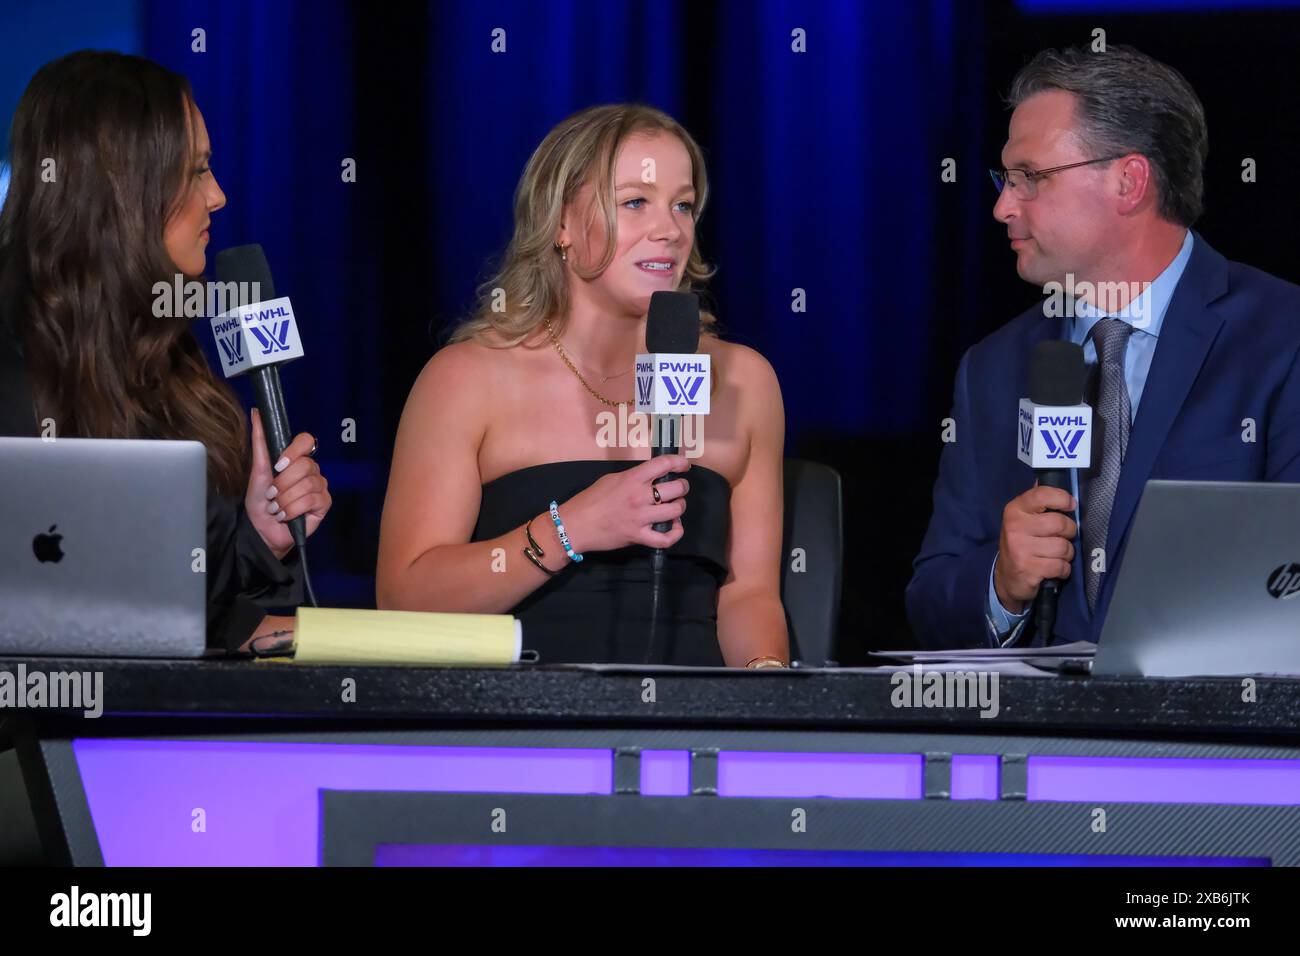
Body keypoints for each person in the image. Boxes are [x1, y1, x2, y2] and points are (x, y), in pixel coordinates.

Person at [907, 44, 1300, 649]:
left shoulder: (1281, 336)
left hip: (1221, 738)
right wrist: (1002, 584)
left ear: (1129, 181)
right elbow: (931, 603)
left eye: (1029, 178)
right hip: (1042, 740)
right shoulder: (993, 367)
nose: (1001, 206)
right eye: (1004, 180)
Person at [377, 104, 789, 667]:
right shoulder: (467, 379)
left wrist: (766, 698)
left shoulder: (742, 380)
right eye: (635, 202)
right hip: (523, 728)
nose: (669, 230)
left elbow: (748, 595)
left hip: (694, 728)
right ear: (561, 224)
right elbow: (405, 601)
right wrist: (571, 528)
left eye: (683, 205)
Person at [0, 51, 332, 652]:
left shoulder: (166, 349)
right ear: (124, 187)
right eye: (197, 171)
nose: (219, 196)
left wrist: (260, 536)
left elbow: (188, 616)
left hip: (151, 728)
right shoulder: (15, 364)